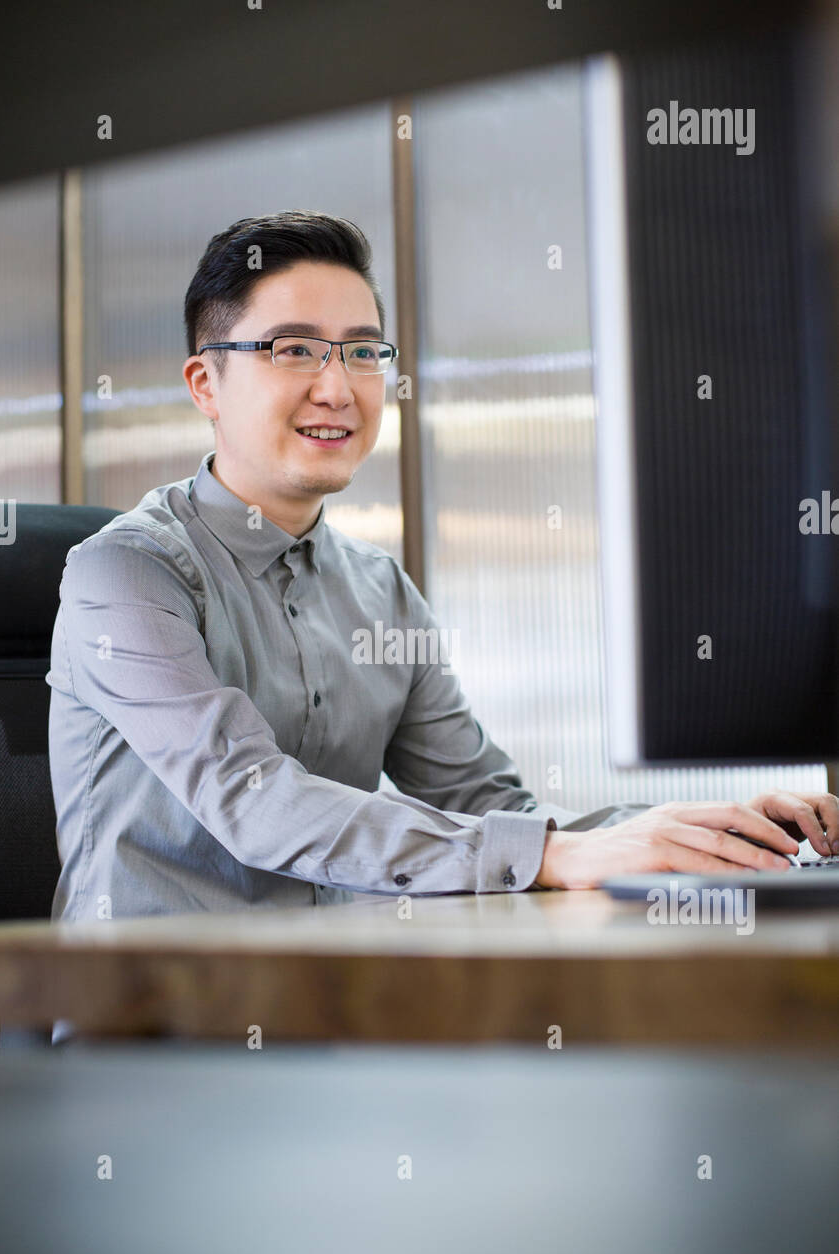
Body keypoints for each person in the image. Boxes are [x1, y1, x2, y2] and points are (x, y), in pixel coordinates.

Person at [46, 211, 839, 922]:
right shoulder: (122, 575)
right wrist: (554, 856)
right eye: (293, 351)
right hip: (146, 1023)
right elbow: (258, 804)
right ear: (204, 383)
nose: (337, 387)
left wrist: (720, 830)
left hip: (330, 1012)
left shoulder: (379, 591)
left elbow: (489, 806)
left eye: (362, 352)